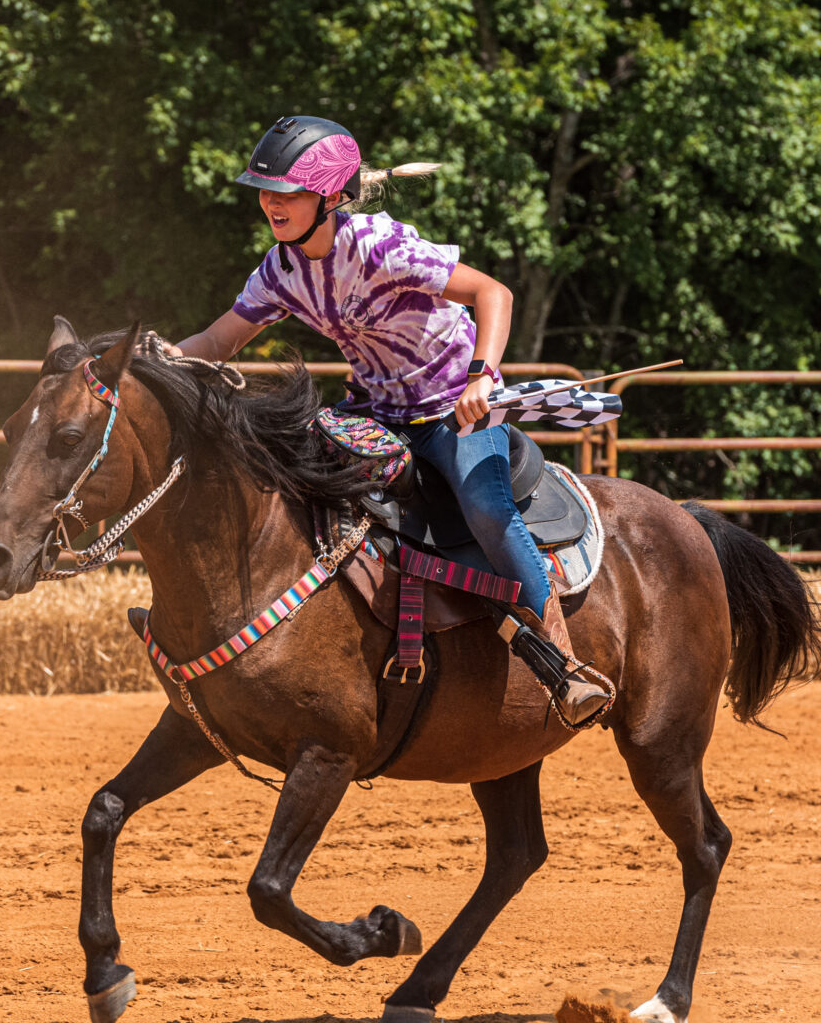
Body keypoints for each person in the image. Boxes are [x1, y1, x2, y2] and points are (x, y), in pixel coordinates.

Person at [170, 114, 611, 727]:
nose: (270, 202)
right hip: (377, 409)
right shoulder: (279, 271)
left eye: (286, 191)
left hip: (458, 405)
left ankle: (564, 666)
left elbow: (494, 294)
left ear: (329, 196)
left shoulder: (382, 246)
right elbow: (220, 339)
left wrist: (483, 376)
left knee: (486, 509)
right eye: (264, 190)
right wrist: (157, 357)